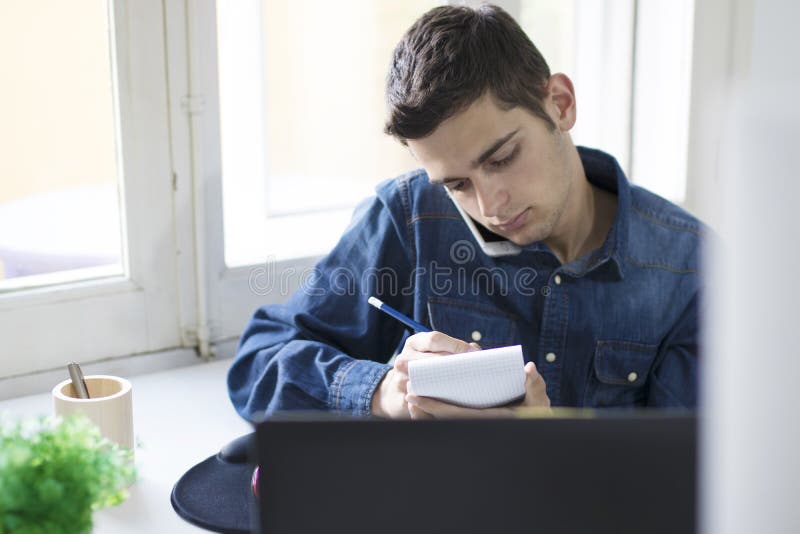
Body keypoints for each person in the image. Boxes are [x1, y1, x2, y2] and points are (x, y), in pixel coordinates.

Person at [227, 4, 702, 421]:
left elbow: (687, 481)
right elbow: (257, 363)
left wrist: (548, 442)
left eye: (502, 159)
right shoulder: (409, 215)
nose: (490, 206)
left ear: (560, 104)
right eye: (456, 184)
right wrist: (383, 394)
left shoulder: (691, 268)